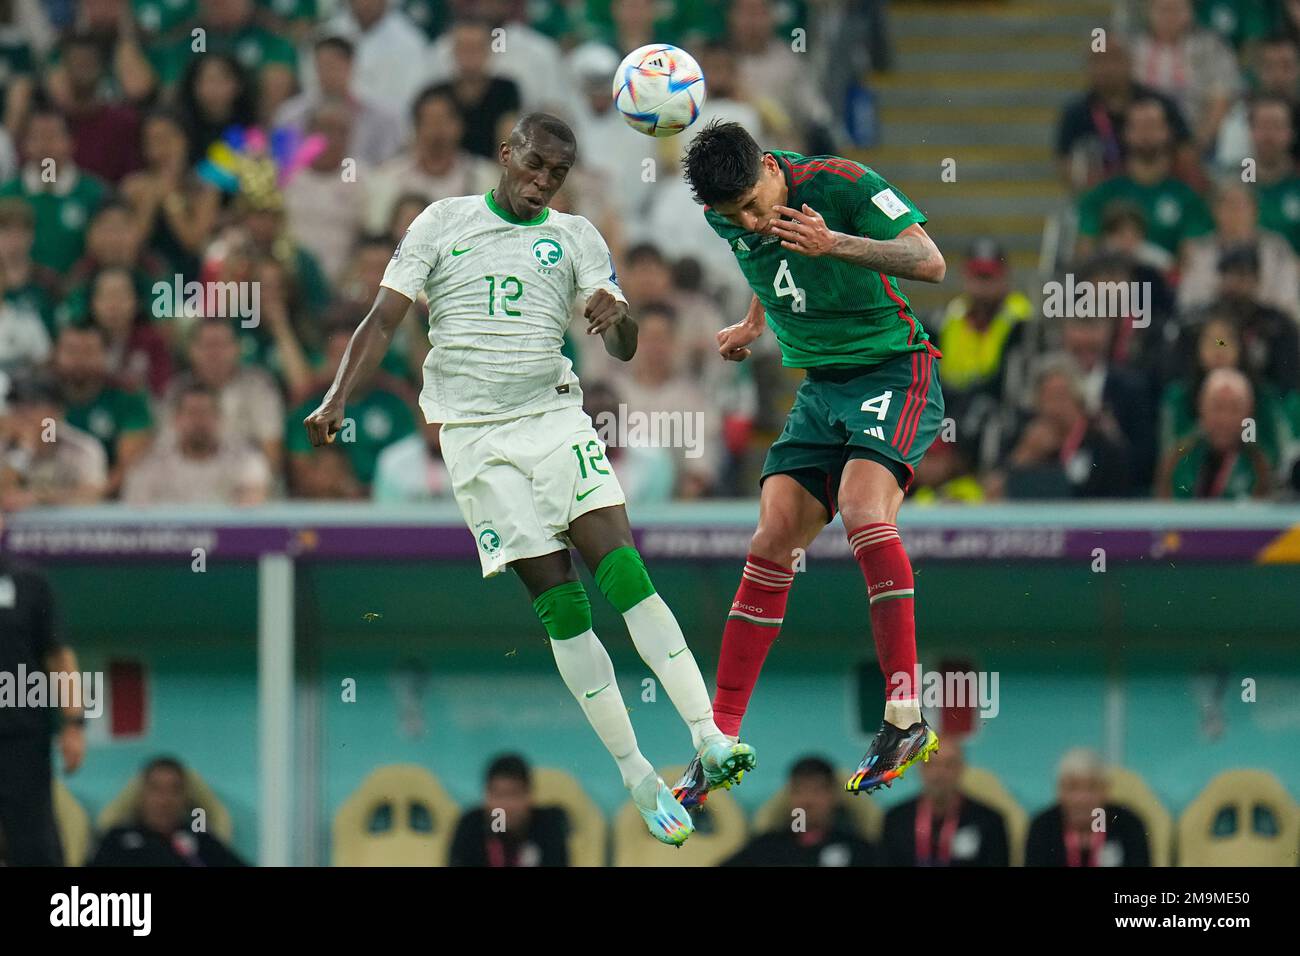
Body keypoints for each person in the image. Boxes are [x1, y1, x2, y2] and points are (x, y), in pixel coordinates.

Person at [302, 113, 754, 846]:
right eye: (534, 165)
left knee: (626, 571)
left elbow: (628, 346)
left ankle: (707, 737)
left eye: (557, 175)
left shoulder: (577, 237)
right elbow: (384, 320)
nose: (542, 182)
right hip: (479, 444)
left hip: (555, 422)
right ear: (505, 153)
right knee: (564, 609)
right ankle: (638, 773)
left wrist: (618, 318)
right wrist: (337, 393)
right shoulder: (441, 222)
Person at [673, 120, 946, 806]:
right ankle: (718, 739)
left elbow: (929, 261)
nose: (751, 223)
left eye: (756, 206)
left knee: (860, 509)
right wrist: (755, 324)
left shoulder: (843, 185)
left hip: (891, 370)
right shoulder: (727, 213)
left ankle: (905, 717)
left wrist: (835, 244)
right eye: (734, 216)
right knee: (770, 538)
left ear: (771, 166)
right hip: (821, 389)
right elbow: (775, 268)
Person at [0, 507, 85, 865]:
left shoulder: (30, 582)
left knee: (33, 841)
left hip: (20, 736)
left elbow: (58, 657)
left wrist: (74, 724)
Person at [87, 756, 246, 866]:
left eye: (174, 790)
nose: (165, 800)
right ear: (142, 794)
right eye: (156, 789)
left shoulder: (200, 840)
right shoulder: (116, 840)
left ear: (184, 797)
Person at [723, 756, 877, 867]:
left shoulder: (859, 851)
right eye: (799, 791)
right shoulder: (765, 849)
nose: (807, 801)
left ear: (834, 796)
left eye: (817, 791)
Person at [880, 738, 1010, 867]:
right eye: (931, 764)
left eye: (949, 764)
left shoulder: (989, 822)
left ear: (961, 769)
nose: (939, 773)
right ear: (920, 768)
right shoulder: (895, 820)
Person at [1025, 748, 1150, 867]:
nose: (1082, 799)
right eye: (1072, 788)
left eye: (1091, 788)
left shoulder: (1127, 824)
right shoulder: (1042, 827)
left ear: (1105, 790)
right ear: (1060, 791)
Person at [448, 754, 569, 867]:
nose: (505, 805)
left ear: (529, 796)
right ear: (486, 796)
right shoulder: (470, 825)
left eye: (513, 794)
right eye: (498, 795)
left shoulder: (548, 825)